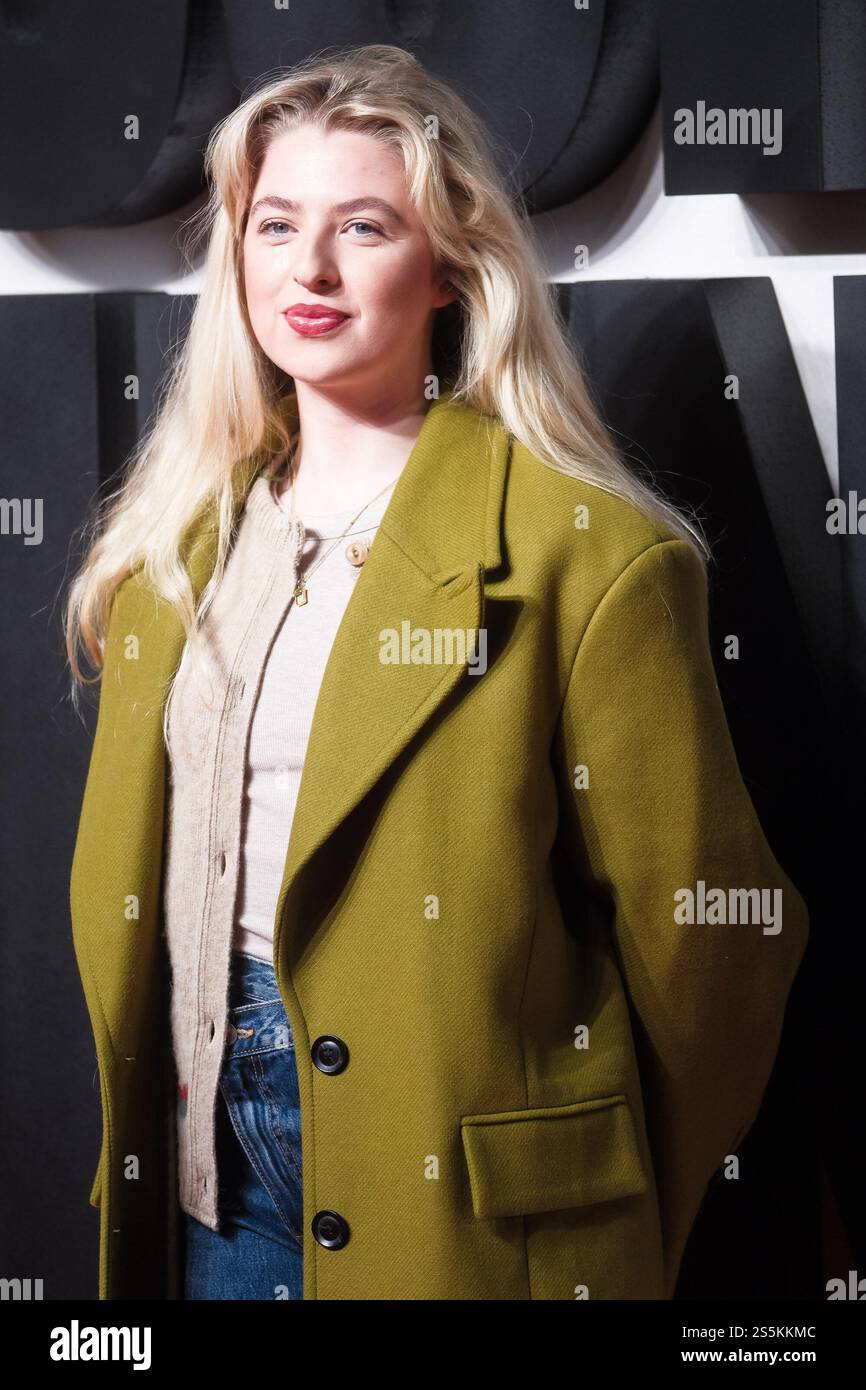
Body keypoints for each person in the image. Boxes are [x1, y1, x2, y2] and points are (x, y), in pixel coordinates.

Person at [65, 43, 809, 1301]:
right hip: (206, 1177)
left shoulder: (591, 557)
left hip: (470, 1203)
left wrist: (589, 1198)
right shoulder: (171, 555)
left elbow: (714, 952)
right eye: (274, 225)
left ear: (451, 266)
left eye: (362, 227)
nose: (307, 269)